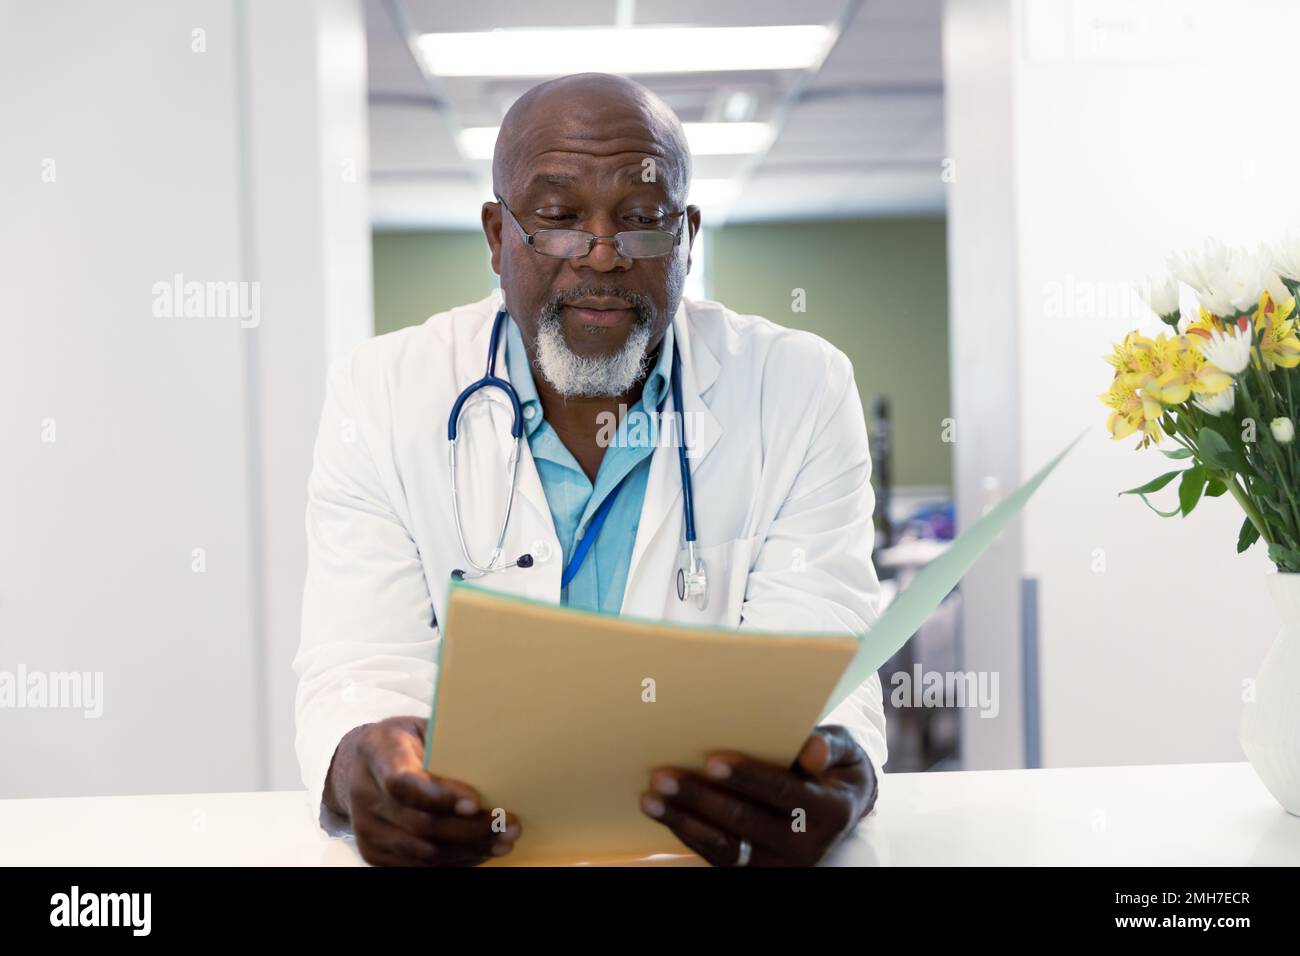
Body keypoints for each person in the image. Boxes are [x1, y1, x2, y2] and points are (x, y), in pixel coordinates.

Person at [294, 73, 887, 867]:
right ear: (498, 236)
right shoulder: (383, 394)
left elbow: (822, 650)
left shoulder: (799, 387)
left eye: (643, 220)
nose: (602, 255)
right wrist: (363, 766)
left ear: (687, 238)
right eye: (558, 218)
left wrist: (832, 766)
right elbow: (359, 664)